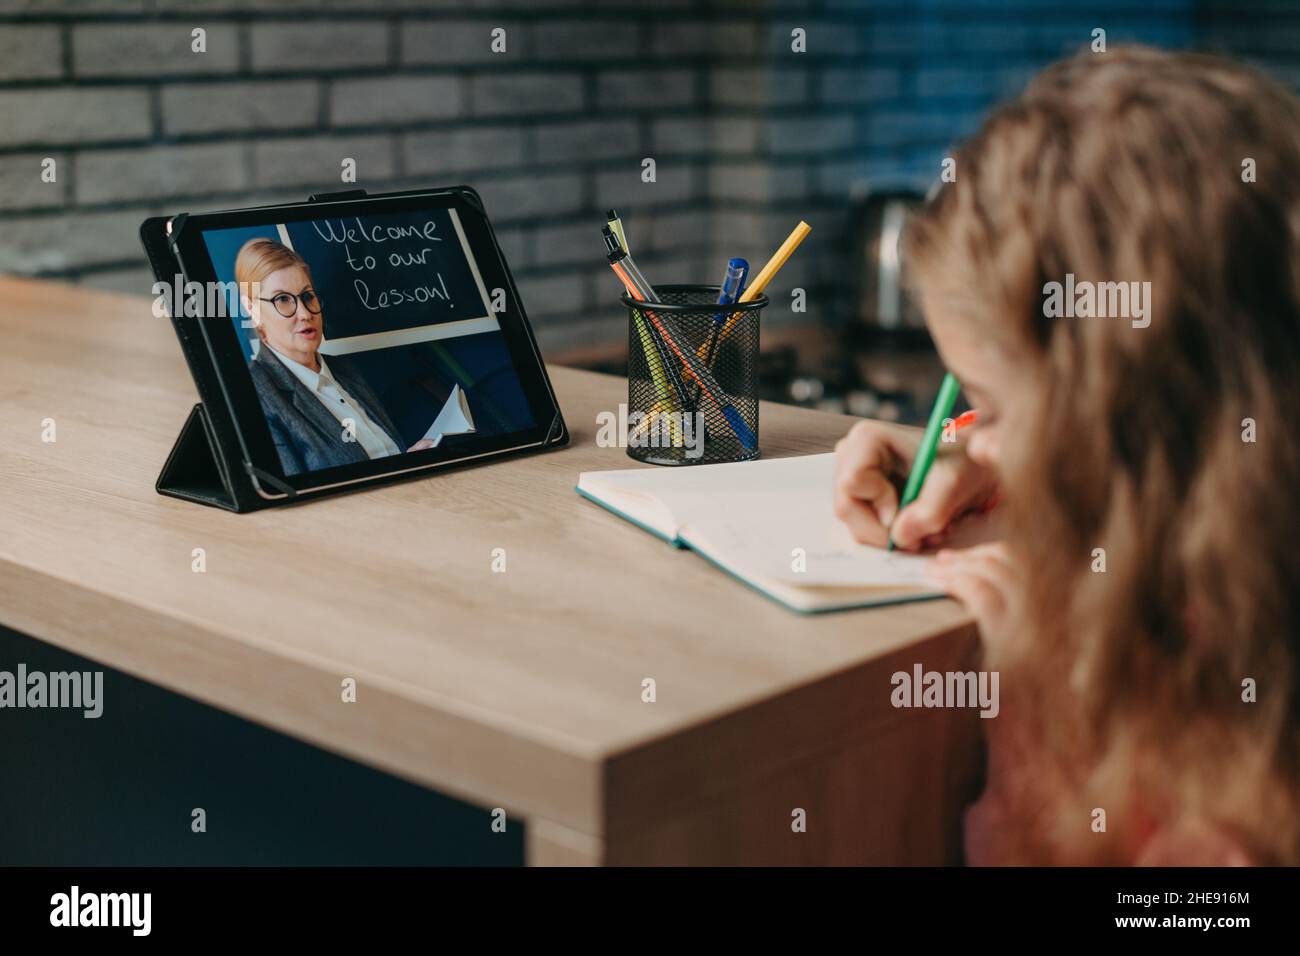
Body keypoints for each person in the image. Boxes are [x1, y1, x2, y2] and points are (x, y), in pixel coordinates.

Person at [833, 47, 1300, 865]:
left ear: (1130, 410)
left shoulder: (1230, 759)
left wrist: (1037, 784)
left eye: (995, 404)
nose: (968, 431)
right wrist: (991, 452)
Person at [234, 238, 433, 476]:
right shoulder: (254, 395)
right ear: (252, 309)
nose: (305, 313)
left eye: (307, 296)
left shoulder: (345, 370)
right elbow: (296, 503)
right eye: (282, 299)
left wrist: (409, 463)